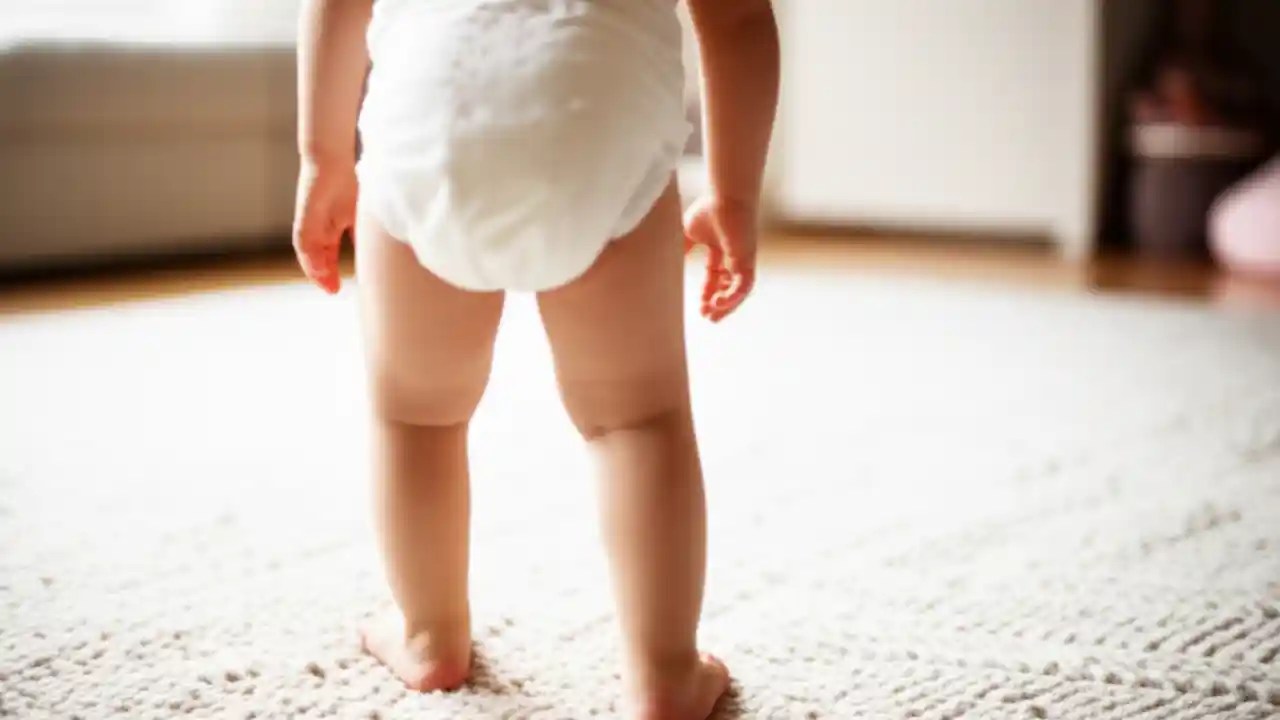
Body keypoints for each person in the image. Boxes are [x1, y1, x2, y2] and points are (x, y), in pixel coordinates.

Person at [292, 1, 778, 717]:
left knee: (416, 417)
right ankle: (664, 669)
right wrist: (733, 193)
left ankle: (429, 635)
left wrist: (323, 158)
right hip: (597, 125)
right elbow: (737, 19)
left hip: (430, 127)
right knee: (637, 422)